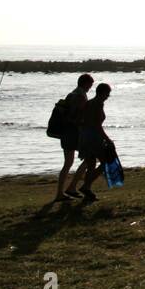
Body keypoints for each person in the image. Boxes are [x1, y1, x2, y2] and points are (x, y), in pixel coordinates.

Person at [67, 83, 112, 204]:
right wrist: (107, 139)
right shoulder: (97, 104)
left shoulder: (89, 103)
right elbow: (97, 125)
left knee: (91, 164)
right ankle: (86, 186)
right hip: (93, 138)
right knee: (105, 162)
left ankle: (87, 189)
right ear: (102, 93)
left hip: (84, 137)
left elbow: (79, 120)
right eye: (107, 94)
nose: (108, 96)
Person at [55, 73, 93, 203]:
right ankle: (72, 187)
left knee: (67, 163)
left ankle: (60, 192)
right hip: (74, 133)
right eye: (90, 85)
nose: (90, 88)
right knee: (90, 157)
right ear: (86, 84)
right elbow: (77, 117)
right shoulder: (81, 97)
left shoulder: (71, 94)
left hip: (65, 132)